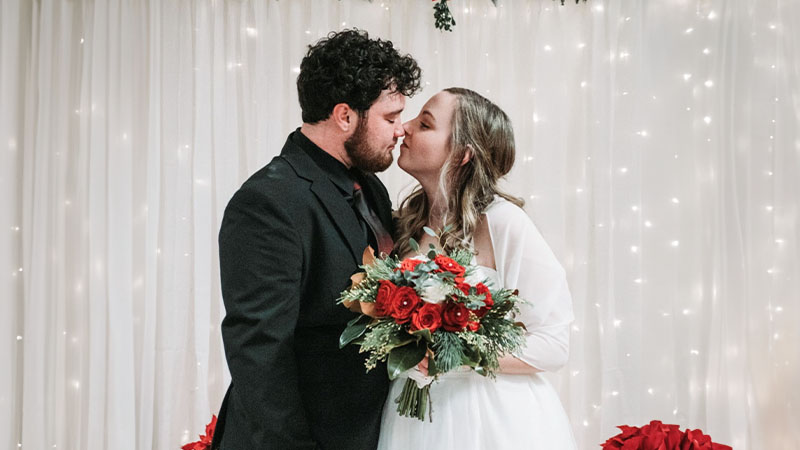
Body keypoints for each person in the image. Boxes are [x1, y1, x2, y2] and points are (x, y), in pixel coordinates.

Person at [212, 29, 421, 450]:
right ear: (345, 116)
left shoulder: (371, 187)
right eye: (390, 117)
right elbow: (261, 354)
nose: (401, 131)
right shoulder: (268, 201)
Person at [377, 88, 577, 449]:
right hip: (412, 420)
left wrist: (456, 356)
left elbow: (553, 345)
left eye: (424, 124)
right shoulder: (403, 224)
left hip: (490, 418)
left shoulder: (504, 223)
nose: (403, 128)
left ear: (462, 154)